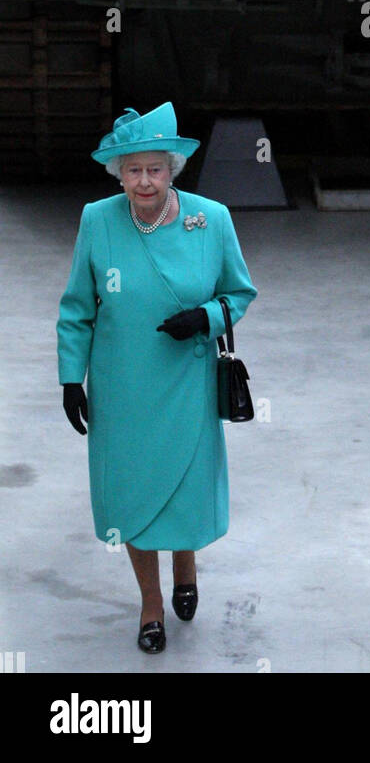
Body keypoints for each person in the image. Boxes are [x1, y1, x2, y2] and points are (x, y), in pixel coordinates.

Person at [56, 101, 257, 654]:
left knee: (184, 490)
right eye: (133, 170)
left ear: (172, 169)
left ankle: (185, 567)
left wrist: (207, 317)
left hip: (185, 382)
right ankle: (150, 605)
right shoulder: (98, 220)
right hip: (122, 388)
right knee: (131, 497)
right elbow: (77, 307)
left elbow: (239, 293)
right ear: (118, 173)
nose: (144, 181)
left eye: (155, 169)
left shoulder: (210, 218)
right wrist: (71, 378)